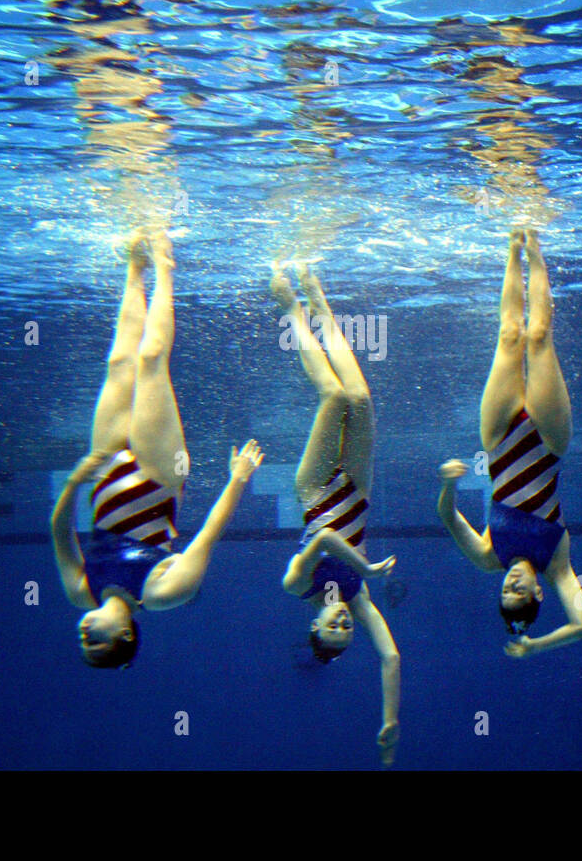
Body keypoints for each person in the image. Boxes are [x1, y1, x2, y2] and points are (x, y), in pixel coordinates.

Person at [51, 229, 263, 668]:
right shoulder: (163, 594)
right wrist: (237, 481)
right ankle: (165, 266)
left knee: (118, 363)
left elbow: (59, 532)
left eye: (82, 644)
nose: (83, 635)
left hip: (102, 474)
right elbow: (206, 537)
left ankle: (135, 264)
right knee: (150, 362)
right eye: (97, 643)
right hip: (158, 478)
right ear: (126, 634)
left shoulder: (80, 591)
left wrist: (74, 481)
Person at [437, 228, 582, 659]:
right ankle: (535, 246)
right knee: (537, 336)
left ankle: (511, 245)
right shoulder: (556, 563)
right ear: (539, 593)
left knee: (508, 335)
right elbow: (580, 625)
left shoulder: (489, 555)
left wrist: (448, 484)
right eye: (520, 593)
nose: (512, 585)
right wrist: (535, 645)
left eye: (505, 592)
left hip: (500, 439)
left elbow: (447, 517)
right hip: (547, 441)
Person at [271, 261, 401, 766]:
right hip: (358, 492)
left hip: (318, 490)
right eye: (347, 631)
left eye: (333, 627)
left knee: (333, 396)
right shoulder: (354, 595)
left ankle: (291, 308)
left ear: (315, 624)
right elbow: (390, 655)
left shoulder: (297, 586)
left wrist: (365, 569)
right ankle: (317, 292)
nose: (345, 622)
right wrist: (391, 719)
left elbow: (324, 537)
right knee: (361, 398)